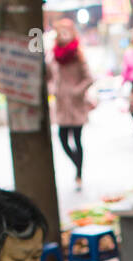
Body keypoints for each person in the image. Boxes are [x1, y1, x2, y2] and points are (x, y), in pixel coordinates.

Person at [48, 18, 93, 189]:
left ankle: (79, 173)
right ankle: (77, 165)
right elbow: (49, 77)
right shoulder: (53, 55)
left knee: (77, 139)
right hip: (61, 104)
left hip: (76, 105)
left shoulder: (78, 54)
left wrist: (77, 91)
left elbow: (89, 78)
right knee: (62, 139)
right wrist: (53, 88)